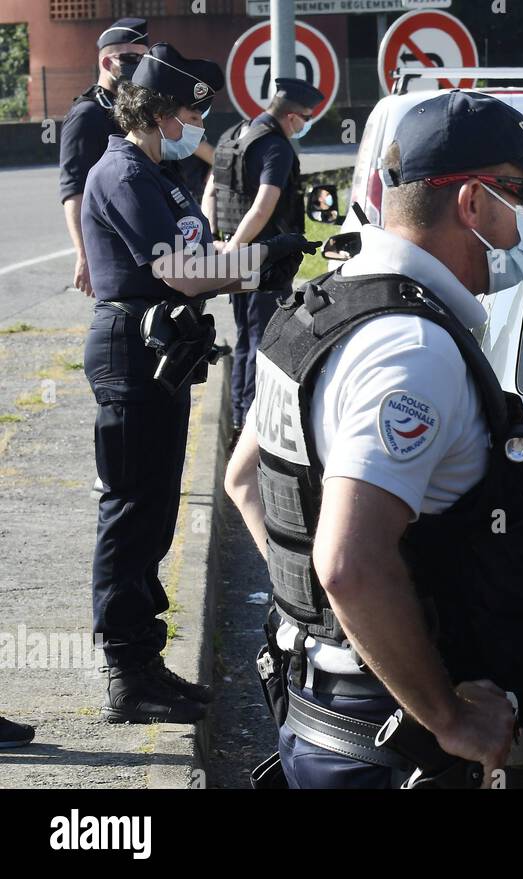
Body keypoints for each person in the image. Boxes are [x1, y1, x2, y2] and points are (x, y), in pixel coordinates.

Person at [224, 90, 523, 788]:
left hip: (318, 707)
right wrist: (445, 714)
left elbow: (247, 481)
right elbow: (347, 561)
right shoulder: (411, 350)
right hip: (387, 736)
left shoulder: (323, 308)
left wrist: (325, 624)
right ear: (473, 204)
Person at [81, 42, 317, 725]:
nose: (195, 122)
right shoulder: (123, 173)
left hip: (163, 351)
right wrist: (258, 264)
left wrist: (257, 258)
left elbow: (202, 249)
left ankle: (148, 662)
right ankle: (126, 672)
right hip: (130, 349)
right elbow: (181, 269)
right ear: (155, 111)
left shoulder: (164, 172)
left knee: (156, 512)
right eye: (187, 110)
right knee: (130, 513)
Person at [59, 19, 215, 299]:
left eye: (144, 57)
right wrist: (85, 254)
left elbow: (194, 150)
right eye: (131, 58)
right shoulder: (88, 115)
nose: (140, 65)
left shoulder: (158, 115)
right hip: (130, 258)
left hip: (161, 248)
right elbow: (75, 189)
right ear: (107, 63)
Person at [204, 78, 322, 447]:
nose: (305, 124)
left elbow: (211, 190)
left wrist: (219, 243)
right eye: (304, 118)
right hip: (264, 260)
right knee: (263, 343)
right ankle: (254, 431)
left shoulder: (235, 134)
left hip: (234, 256)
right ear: (289, 116)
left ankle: (240, 418)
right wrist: (239, 245)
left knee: (245, 338)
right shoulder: (276, 148)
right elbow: (264, 205)